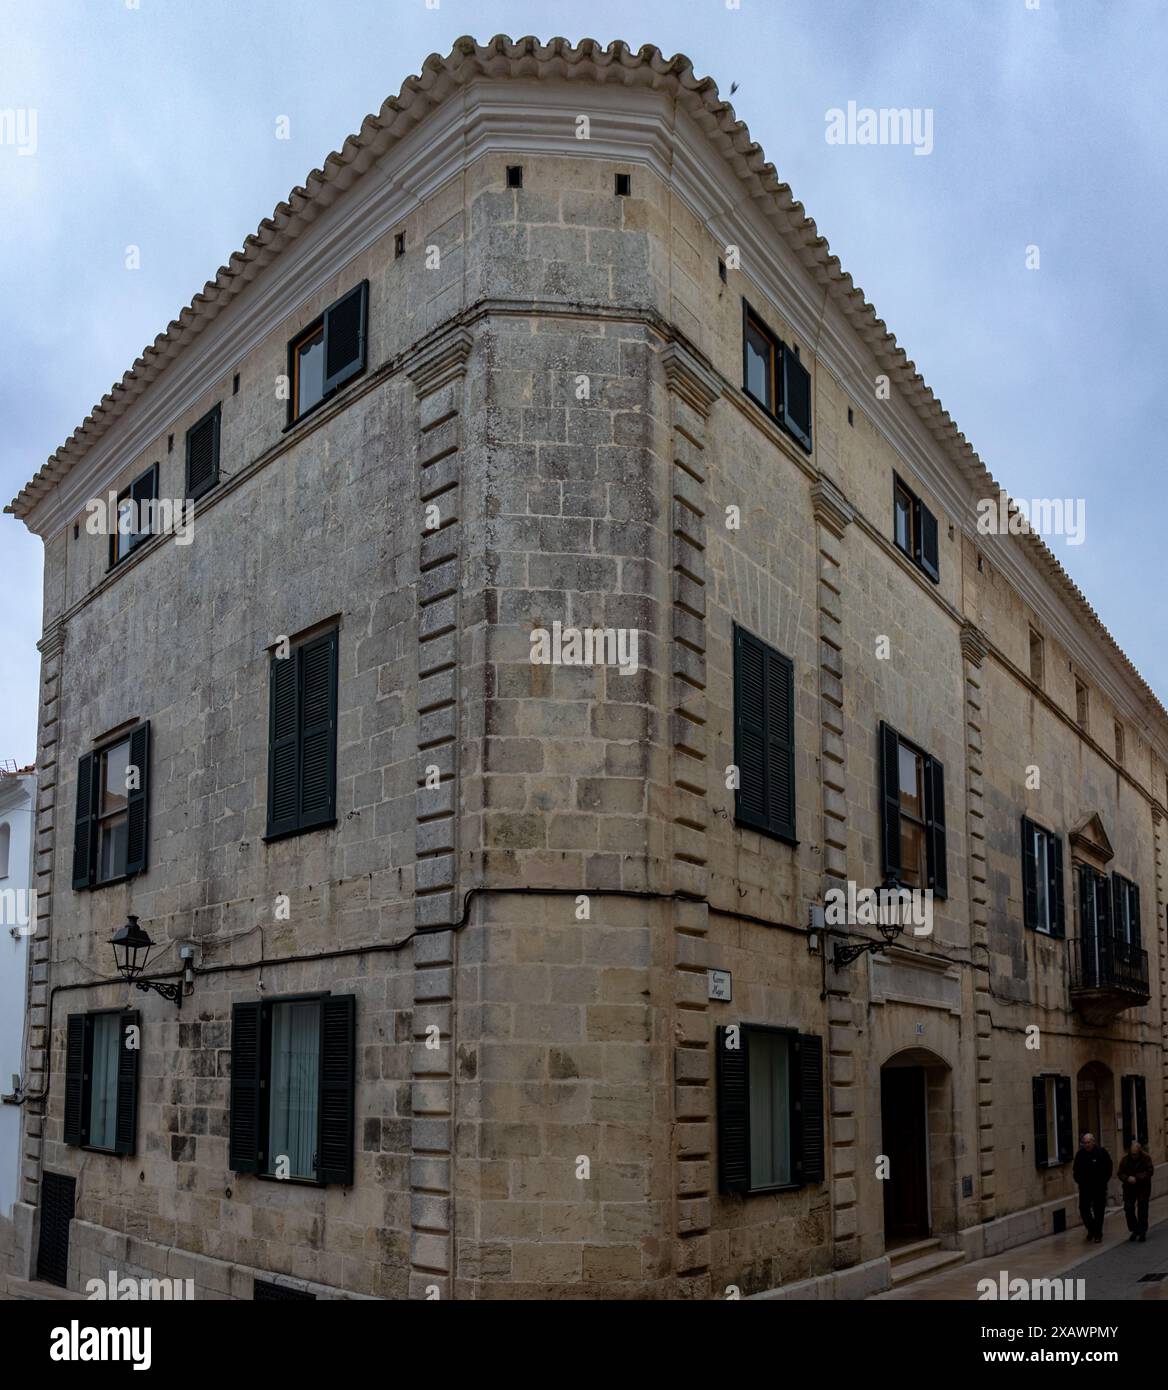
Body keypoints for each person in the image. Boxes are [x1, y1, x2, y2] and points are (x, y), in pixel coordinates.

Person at [1072, 1133, 1112, 1242]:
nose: (1087, 1145)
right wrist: (1079, 1181)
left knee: (1098, 1211)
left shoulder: (1101, 1153)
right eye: (1085, 1143)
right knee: (1083, 1209)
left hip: (1099, 1188)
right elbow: (1075, 1170)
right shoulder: (1080, 1155)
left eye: (1088, 1142)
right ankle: (1092, 1229)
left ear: (1093, 1142)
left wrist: (1103, 1181)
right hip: (1085, 1188)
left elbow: (1109, 1167)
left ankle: (1097, 1233)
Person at [1116, 1141, 1154, 1242]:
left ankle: (1142, 1232)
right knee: (1128, 1209)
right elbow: (1120, 1173)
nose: (1134, 1156)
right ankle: (1135, 1229)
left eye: (1136, 1154)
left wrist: (1137, 1177)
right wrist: (1127, 1178)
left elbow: (1150, 1171)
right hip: (1129, 1188)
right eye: (1132, 1154)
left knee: (1143, 1210)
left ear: (1139, 1151)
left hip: (1143, 1188)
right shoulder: (1125, 1159)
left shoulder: (1146, 1158)